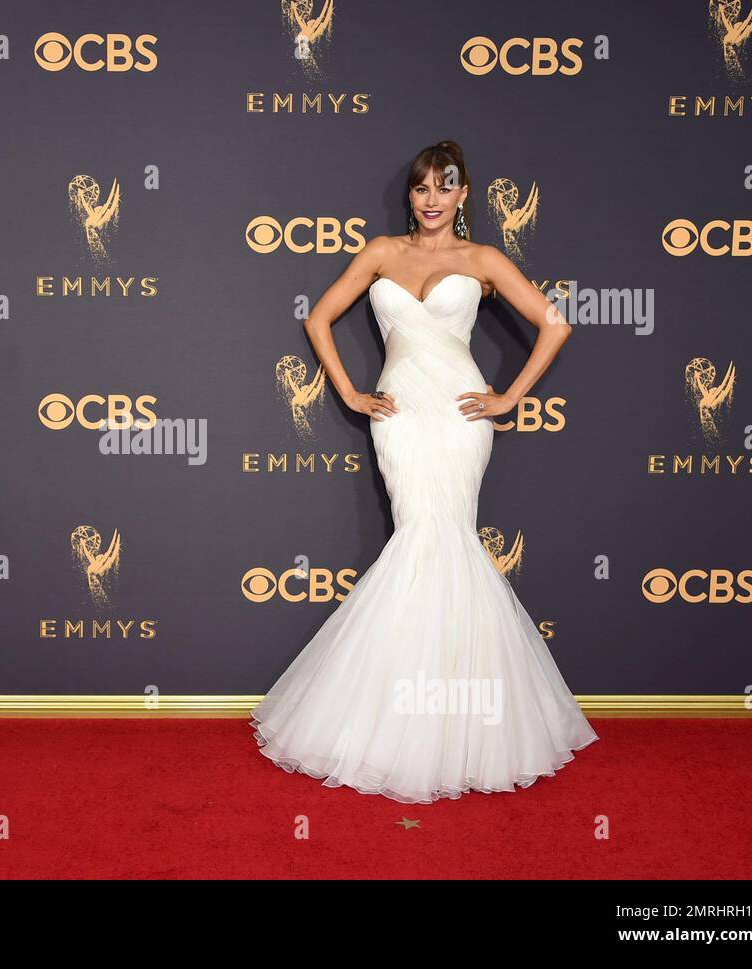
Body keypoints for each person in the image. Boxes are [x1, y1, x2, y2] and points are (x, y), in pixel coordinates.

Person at [251, 140, 598, 803]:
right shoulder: (382, 252)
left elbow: (554, 325)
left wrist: (509, 395)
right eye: (421, 188)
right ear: (410, 196)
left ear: (465, 195)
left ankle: (456, 724)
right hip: (402, 414)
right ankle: (403, 723)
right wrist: (351, 391)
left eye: (446, 186)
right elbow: (318, 316)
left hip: (462, 417)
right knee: (417, 540)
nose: (432, 198)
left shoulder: (484, 260)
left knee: (450, 543)